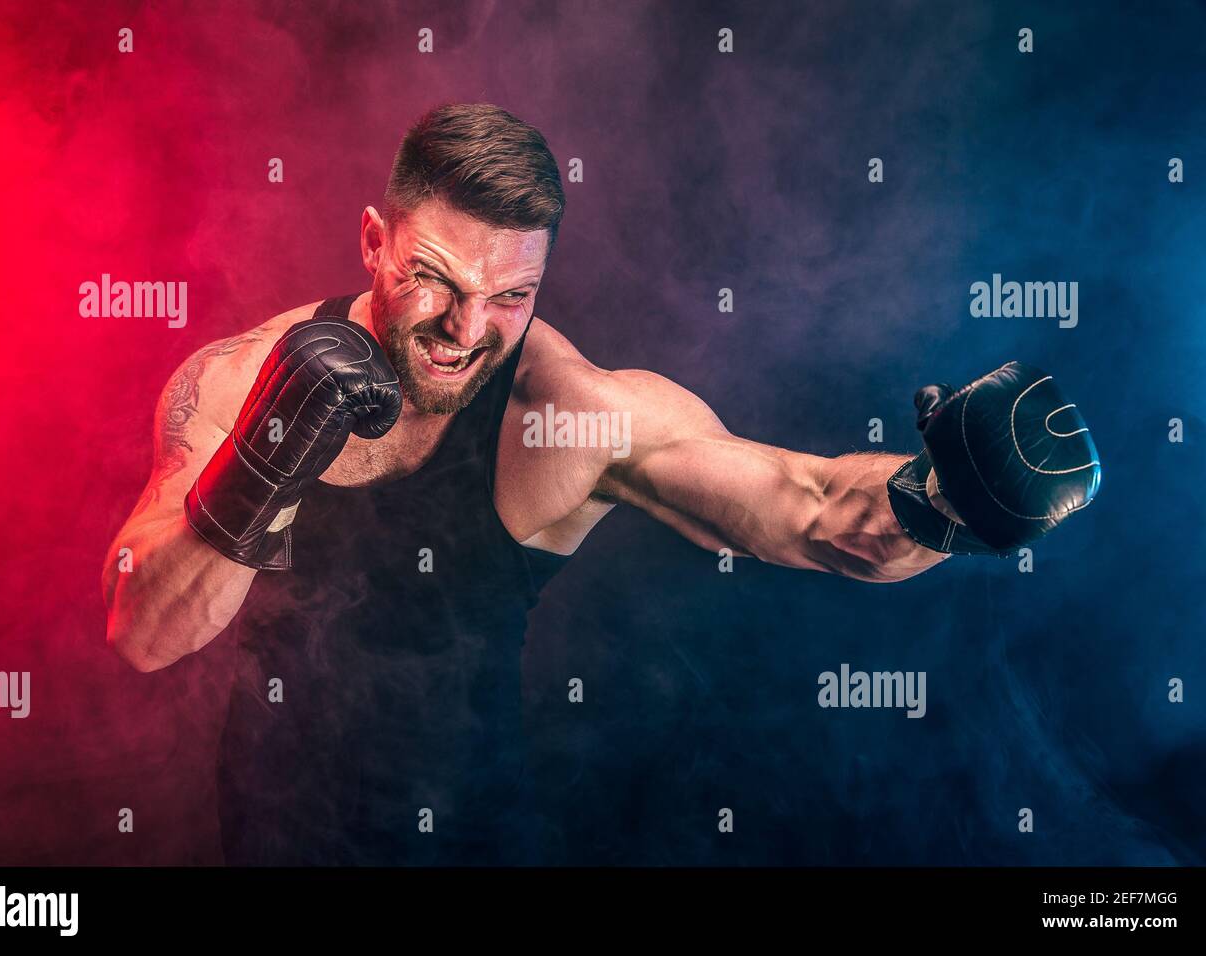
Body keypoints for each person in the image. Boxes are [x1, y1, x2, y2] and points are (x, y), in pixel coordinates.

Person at [101, 102, 1101, 865]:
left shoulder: (571, 418)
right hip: (269, 835)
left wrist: (947, 497)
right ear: (373, 241)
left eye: (510, 296)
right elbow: (143, 632)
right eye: (435, 278)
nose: (464, 330)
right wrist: (265, 455)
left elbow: (815, 512)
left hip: (478, 834)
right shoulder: (234, 381)